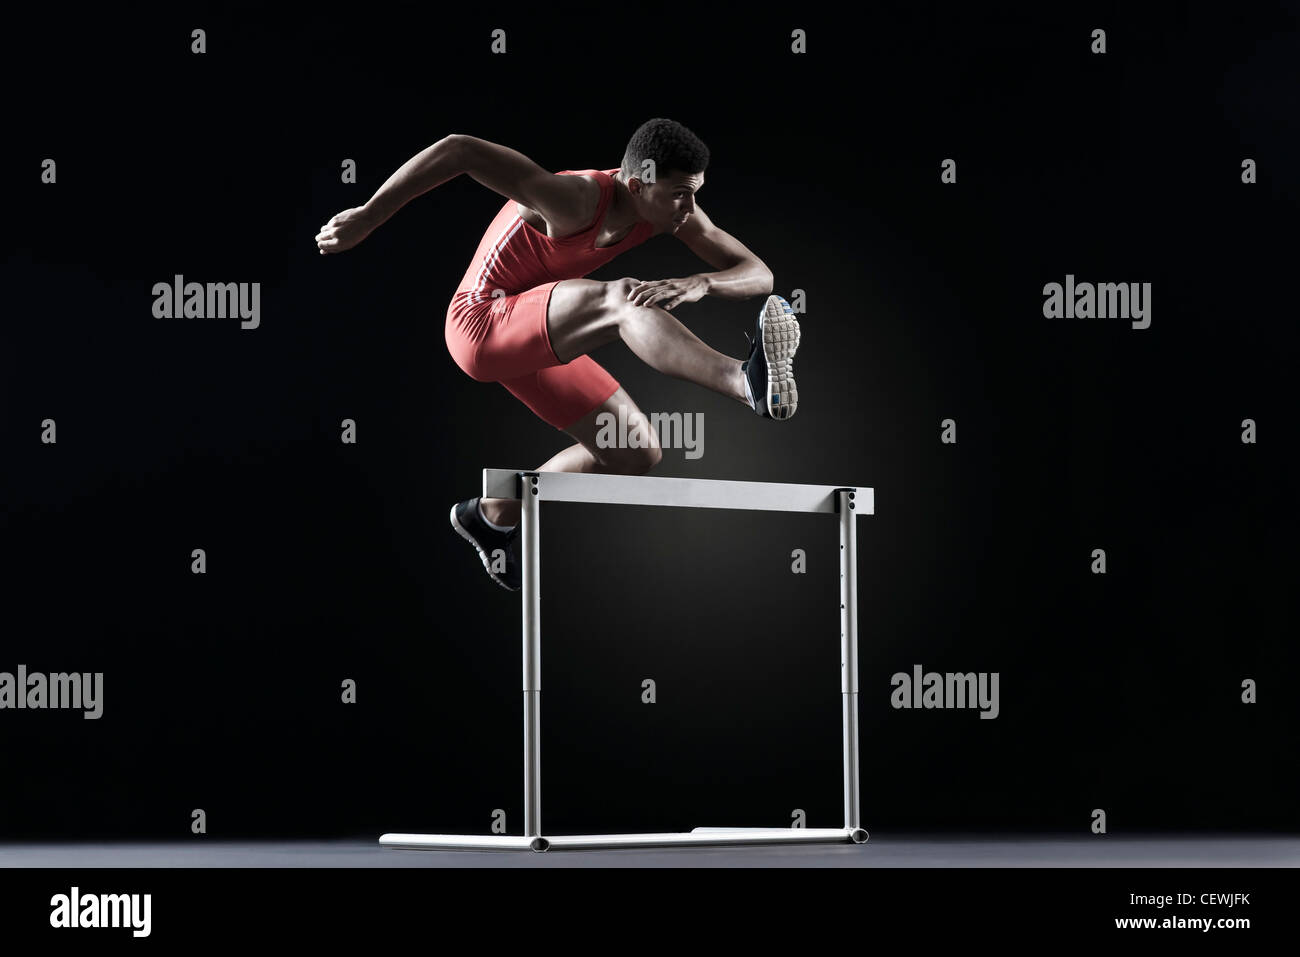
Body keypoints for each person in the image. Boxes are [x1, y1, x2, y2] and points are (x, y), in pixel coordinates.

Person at [316, 118, 800, 591]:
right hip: (481, 324)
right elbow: (459, 148)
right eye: (679, 194)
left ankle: (491, 516)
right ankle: (746, 382)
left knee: (634, 452)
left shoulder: (671, 212)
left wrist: (701, 283)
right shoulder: (575, 200)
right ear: (637, 184)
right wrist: (369, 214)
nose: (690, 208)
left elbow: (759, 274)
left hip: (533, 337)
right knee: (622, 300)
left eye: (695, 192)